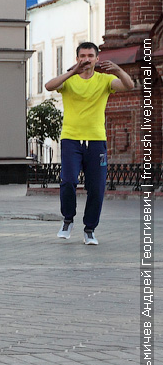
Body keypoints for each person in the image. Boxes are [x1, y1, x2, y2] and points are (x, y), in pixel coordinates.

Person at [44, 41, 134, 245]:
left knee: (96, 187)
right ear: (77, 58)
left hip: (96, 141)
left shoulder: (104, 80)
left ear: (97, 59)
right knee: (68, 181)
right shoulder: (69, 80)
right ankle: (68, 220)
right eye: (82, 56)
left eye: (90, 56)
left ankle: (90, 229)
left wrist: (119, 70)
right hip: (71, 139)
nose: (86, 59)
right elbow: (49, 86)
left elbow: (129, 86)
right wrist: (72, 72)